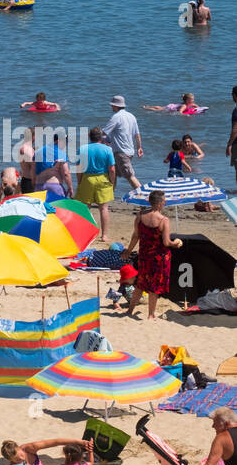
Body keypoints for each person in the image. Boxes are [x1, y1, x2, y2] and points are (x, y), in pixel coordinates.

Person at [124, 190, 182, 320]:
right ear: (160, 203)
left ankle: (130, 310)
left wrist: (128, 250)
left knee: (141, 283)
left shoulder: (140, 216)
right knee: (154, 287)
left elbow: (135, 236)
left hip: (144, 256)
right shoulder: (163, 220)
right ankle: (151, 314)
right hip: (158, 257)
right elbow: (166, 242)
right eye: (164, 200)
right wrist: (176, 243)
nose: (165, 202)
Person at [76, 127, 117, 240]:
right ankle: (104, 235)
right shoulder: (107, 149)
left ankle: (85, 233)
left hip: (87, 178)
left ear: (90, 137)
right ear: (101, 137)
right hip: (102, 178)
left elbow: (79, 168)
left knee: (85, 208)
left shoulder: (82, 149)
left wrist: (79, 181)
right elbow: (112, 169)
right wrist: (112, 182)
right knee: (103, 208)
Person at [104, 95, 144, 190]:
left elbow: (104, 132)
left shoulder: (116, 117)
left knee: (130, 176)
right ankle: (108, 197)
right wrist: (139, 147)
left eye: (112, 105)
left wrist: (95, 138)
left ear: (115, 106)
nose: (111, 107)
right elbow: (137, 134)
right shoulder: (131, 116)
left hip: (121, 152)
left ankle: (145, 196)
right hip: (129, 151)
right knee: (112, 173)